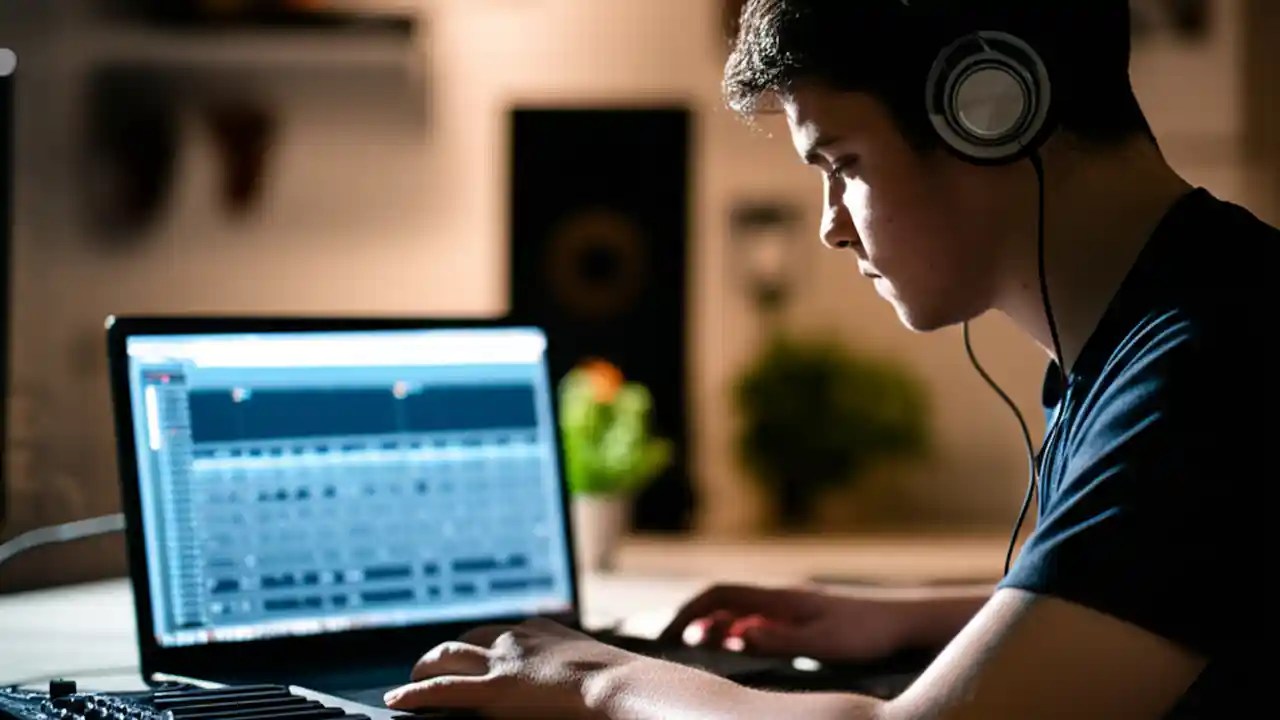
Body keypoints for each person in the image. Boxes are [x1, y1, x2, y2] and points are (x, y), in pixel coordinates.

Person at [383, 1, 1274, 717]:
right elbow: (1171, 597)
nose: (830, 225)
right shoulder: (1198, 312)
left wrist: (596, 678)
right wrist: (904, 618)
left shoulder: (1206, 369)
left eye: (842, 163)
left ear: (990, 112)